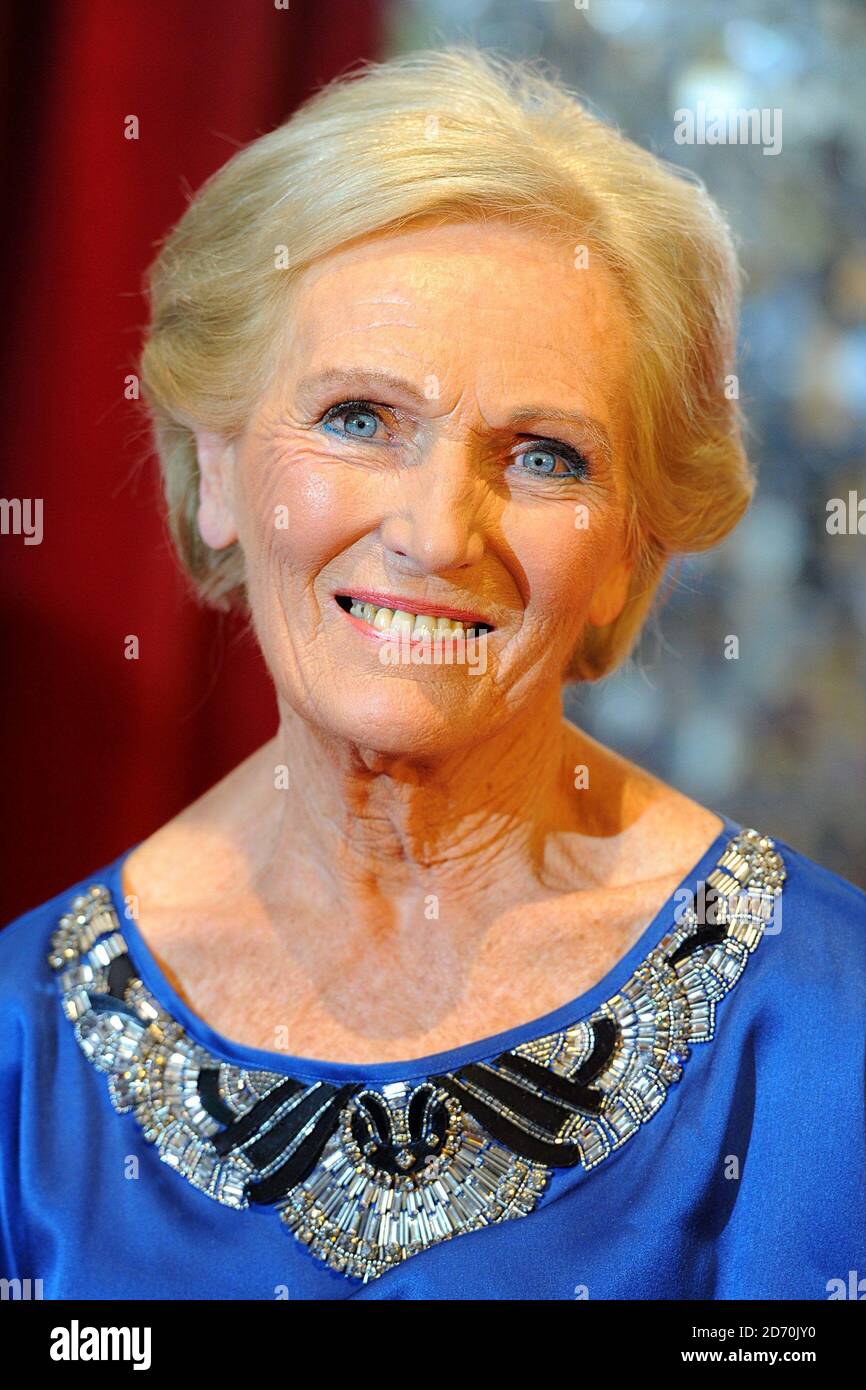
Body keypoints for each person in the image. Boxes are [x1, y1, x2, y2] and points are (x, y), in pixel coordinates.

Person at [1, 47, 863, 1301]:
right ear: (225, 464)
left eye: (545, 455)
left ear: (631, 550)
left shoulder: (825, 1040)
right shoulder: (24, 1055)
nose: (435, 533)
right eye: (358, 416)